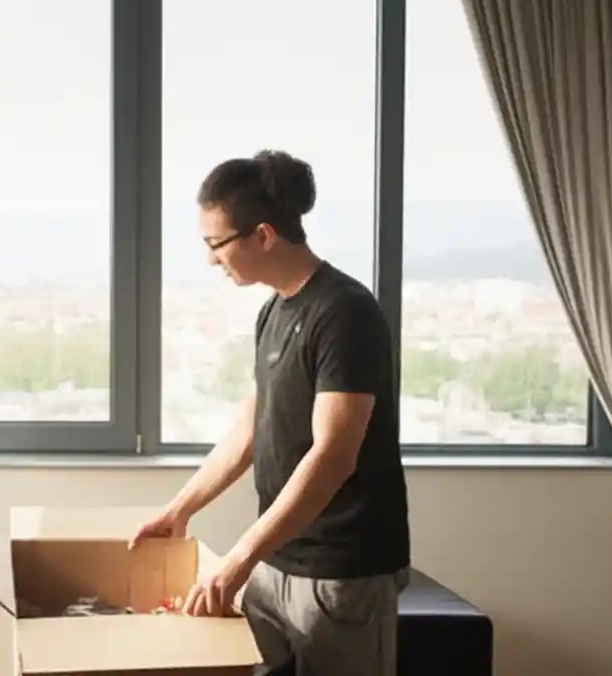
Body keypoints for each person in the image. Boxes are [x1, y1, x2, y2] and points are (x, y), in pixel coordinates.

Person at [130, 150, 410, 675]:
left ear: (263, 236)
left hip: (341, 571)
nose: (211, 260)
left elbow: (333, 455)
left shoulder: (344, 312)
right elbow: (249, 430)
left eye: (216, 244)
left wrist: (238, 558)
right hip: (276, 557)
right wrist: (180, 509)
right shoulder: (275, 311)